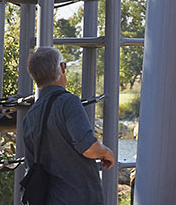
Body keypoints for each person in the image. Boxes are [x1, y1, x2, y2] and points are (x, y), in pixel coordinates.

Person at [20, 46, 115, 204]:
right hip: (78, 197)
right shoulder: (68, 102)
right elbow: (87, 147)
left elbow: (31, 164)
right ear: (62, 68)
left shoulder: (30, 116)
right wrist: (106, 152)